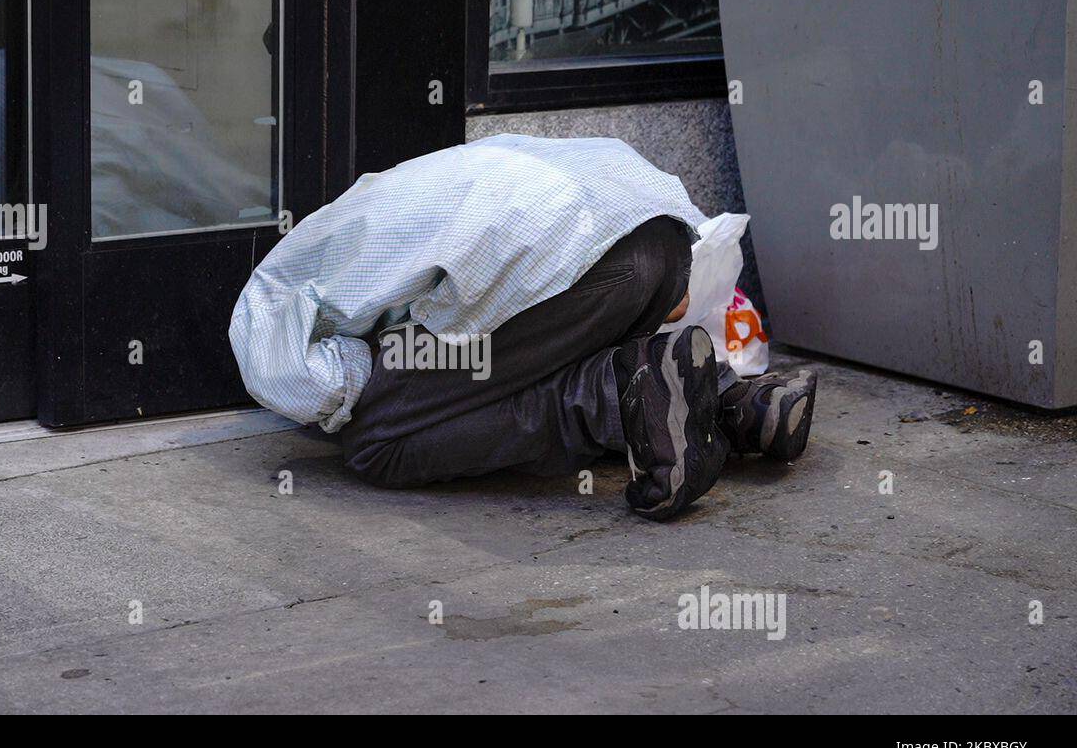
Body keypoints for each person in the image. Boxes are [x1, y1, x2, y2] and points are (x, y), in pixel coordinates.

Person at [230, 135, 817, 521]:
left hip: (569, 261)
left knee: (377, 442)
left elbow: (319, 382)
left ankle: (615, 396)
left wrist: (370, 384)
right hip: (657, 235)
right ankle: (741, 406)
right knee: (501, 362)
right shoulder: (393, 194)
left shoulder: (276, 299)